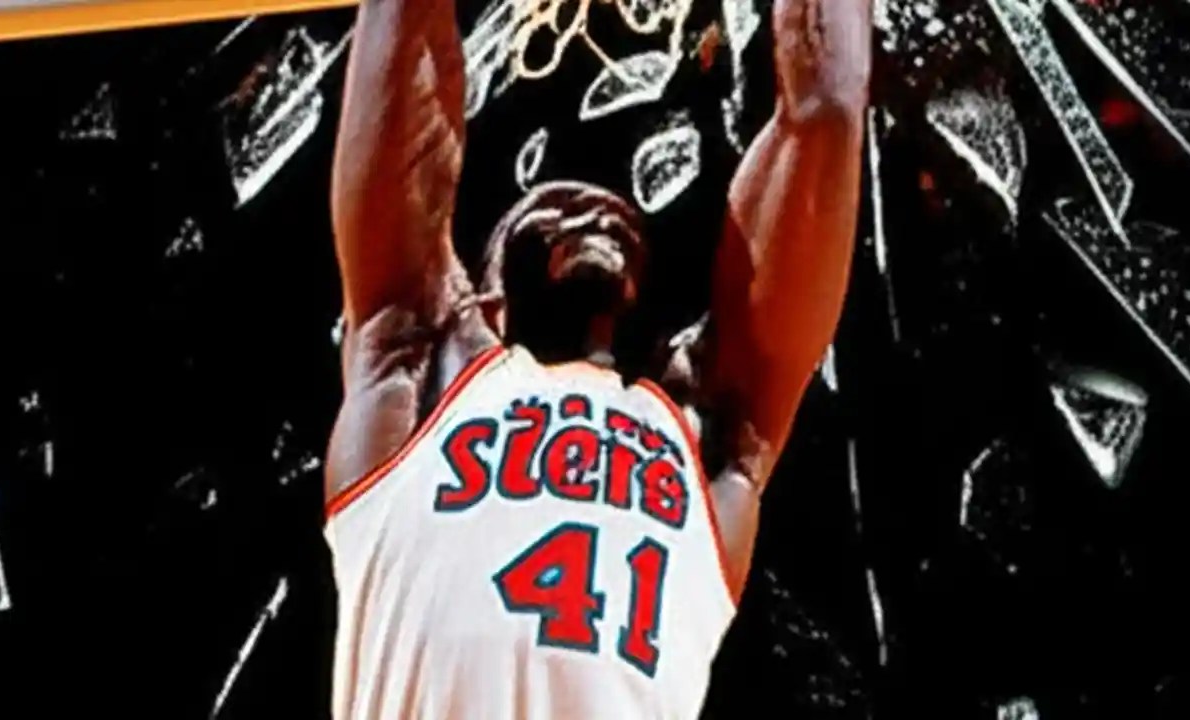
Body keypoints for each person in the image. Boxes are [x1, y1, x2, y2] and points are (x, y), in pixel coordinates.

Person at [323, 0, 870, 717]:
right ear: (485, 303)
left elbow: (826, 110)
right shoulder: (420, 367)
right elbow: (405, 33)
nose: (594, 213)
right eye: (553, 212)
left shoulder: (700, 432)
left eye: (617, 218)